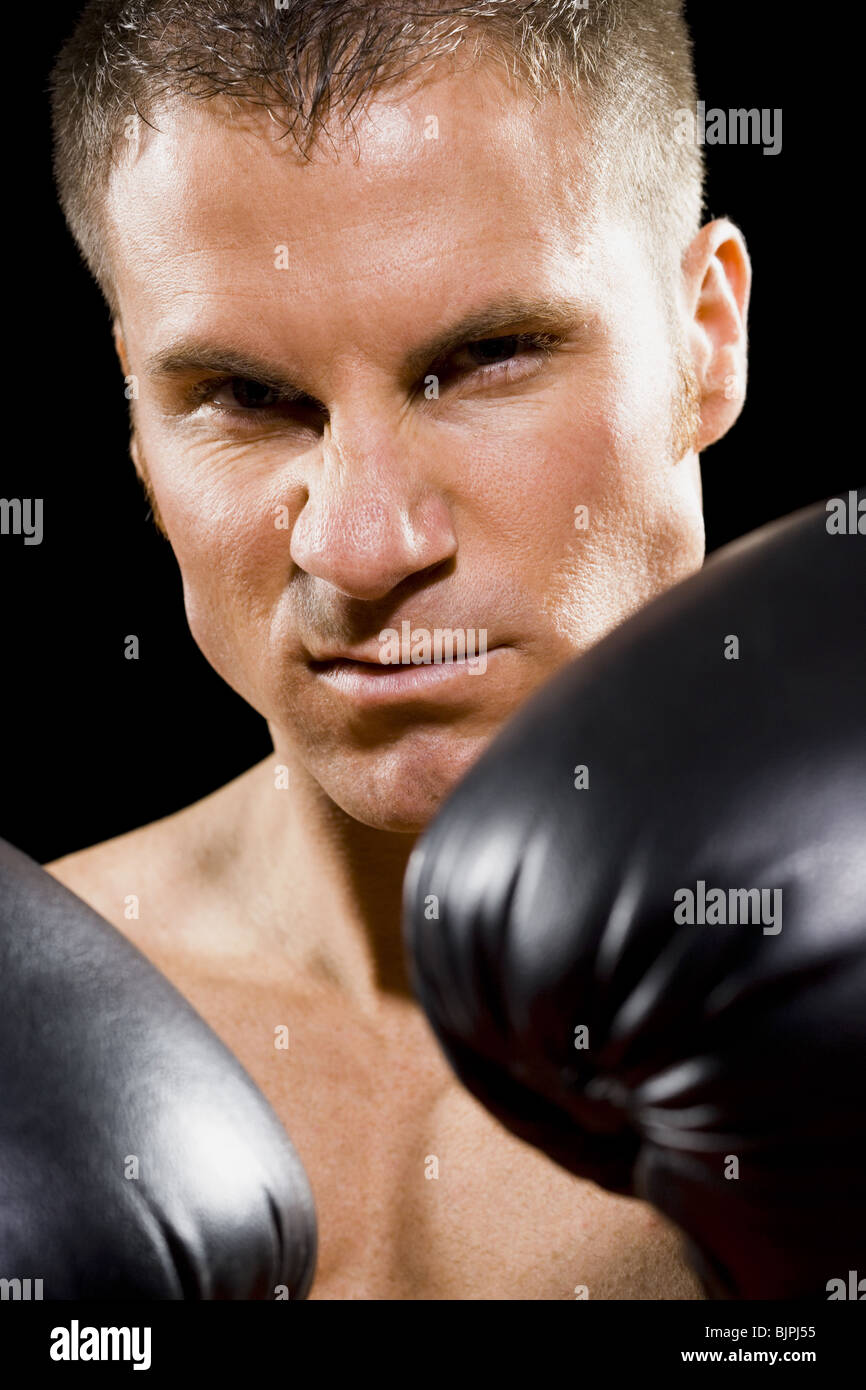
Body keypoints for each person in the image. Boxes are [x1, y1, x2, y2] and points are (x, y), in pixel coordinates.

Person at [44, 0, 750, 1298]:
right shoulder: (17, 1032)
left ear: (704, 339)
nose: (361, 544)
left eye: (482, 360)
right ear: (137, 427)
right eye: (245, 398)